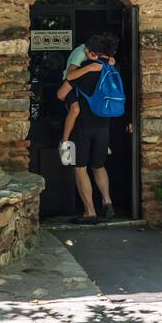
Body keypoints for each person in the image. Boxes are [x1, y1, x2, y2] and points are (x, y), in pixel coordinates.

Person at [56, 33, 119, 224]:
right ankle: (107, 201)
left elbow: (61, 94)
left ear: (93, 53)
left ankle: (90, 212)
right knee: (99, 165)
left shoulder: (84, 70)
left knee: (80, 168)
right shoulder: (112, 70)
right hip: (103, 125)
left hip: (82, 126)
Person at [58, 38, 115, 167]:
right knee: (75, 109)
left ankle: (102, 144)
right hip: (68, 86)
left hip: (76, 85)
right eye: (93, 55)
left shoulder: (93, 55)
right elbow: (69, 75)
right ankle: (65, 142)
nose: (95, 58)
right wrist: (90, 67)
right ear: (87, 50)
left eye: (97, 56)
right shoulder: (80, 54)